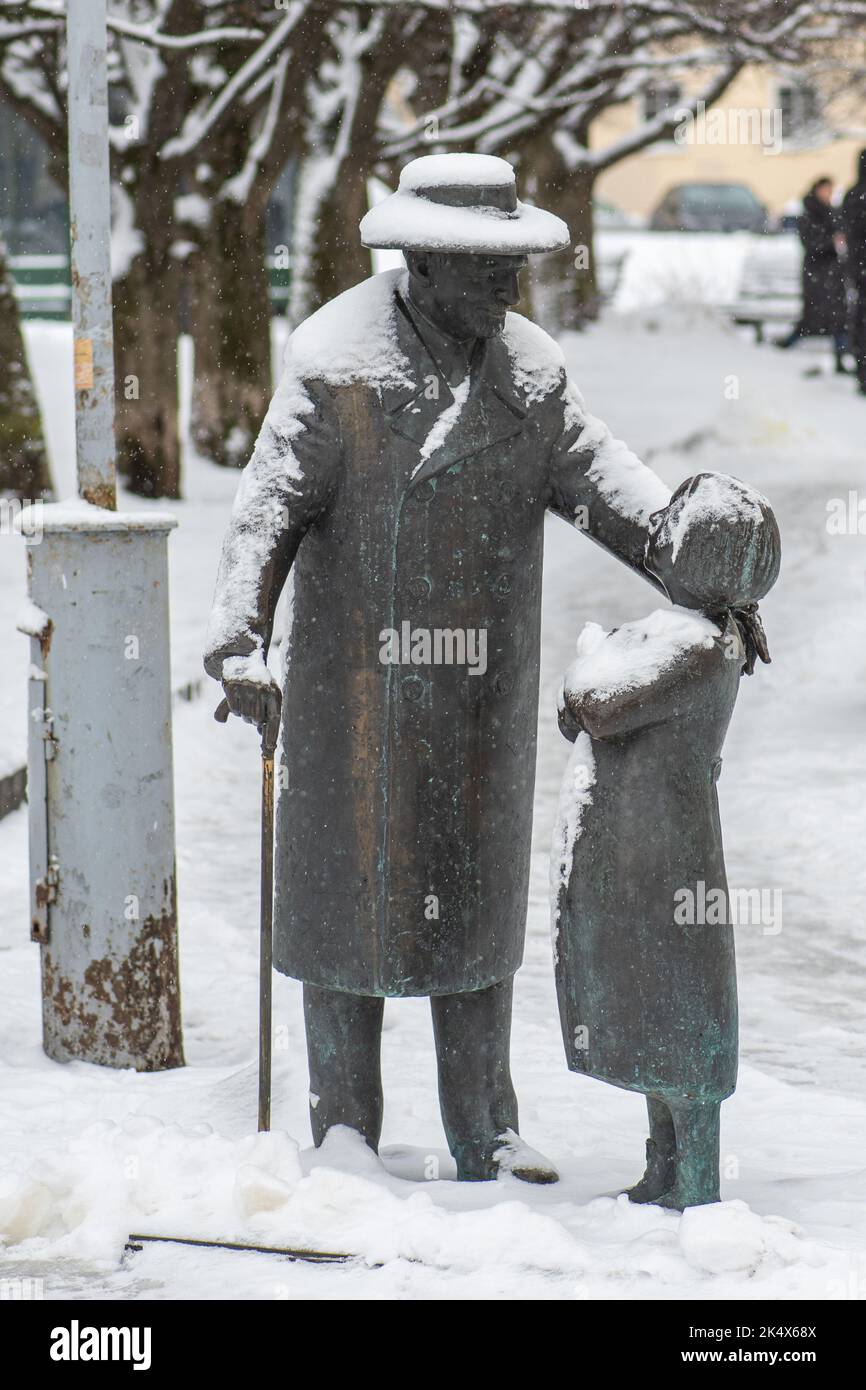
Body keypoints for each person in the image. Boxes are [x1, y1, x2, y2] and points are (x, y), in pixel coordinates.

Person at [203, 152, 671, 1183]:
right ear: (418, 260)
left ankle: (485, 1128)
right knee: (346, 915)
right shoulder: (338, 365)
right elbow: (265, 507)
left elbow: (609, 489)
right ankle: (344, 1130)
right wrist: (239, 638)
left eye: (513, 264)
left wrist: (705, 562)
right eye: (485, 266)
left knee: (471, 911)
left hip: (478, 700)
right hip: (350, 697)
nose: (508, 286)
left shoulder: (530, 372)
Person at [552, 472, 781, 1209]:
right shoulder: (696, 635)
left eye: (676, 527)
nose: (660, 533)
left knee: (680, 1009)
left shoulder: (698, 645)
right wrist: (605, 657)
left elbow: (596, 701)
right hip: (643, 846)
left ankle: (696, 1175)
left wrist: (597, 651)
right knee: (650, 1002)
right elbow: (592, 704)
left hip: (662, 852)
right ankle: (666, 1164)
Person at [776, 177, 849, 372]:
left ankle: (841, 356)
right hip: (818, 273)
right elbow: (811, 242)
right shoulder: (809, 214)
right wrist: (831, 241)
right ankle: (790, 345)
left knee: (837, 317)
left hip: (832, 273)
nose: (828, 195)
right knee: (820, 315)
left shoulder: (832, 212)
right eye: (826, 190)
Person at [843, 149, 866, 395]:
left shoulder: (852, 195)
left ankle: (862, 367)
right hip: (861, 267)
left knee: (860, 316)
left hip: (857, 269)